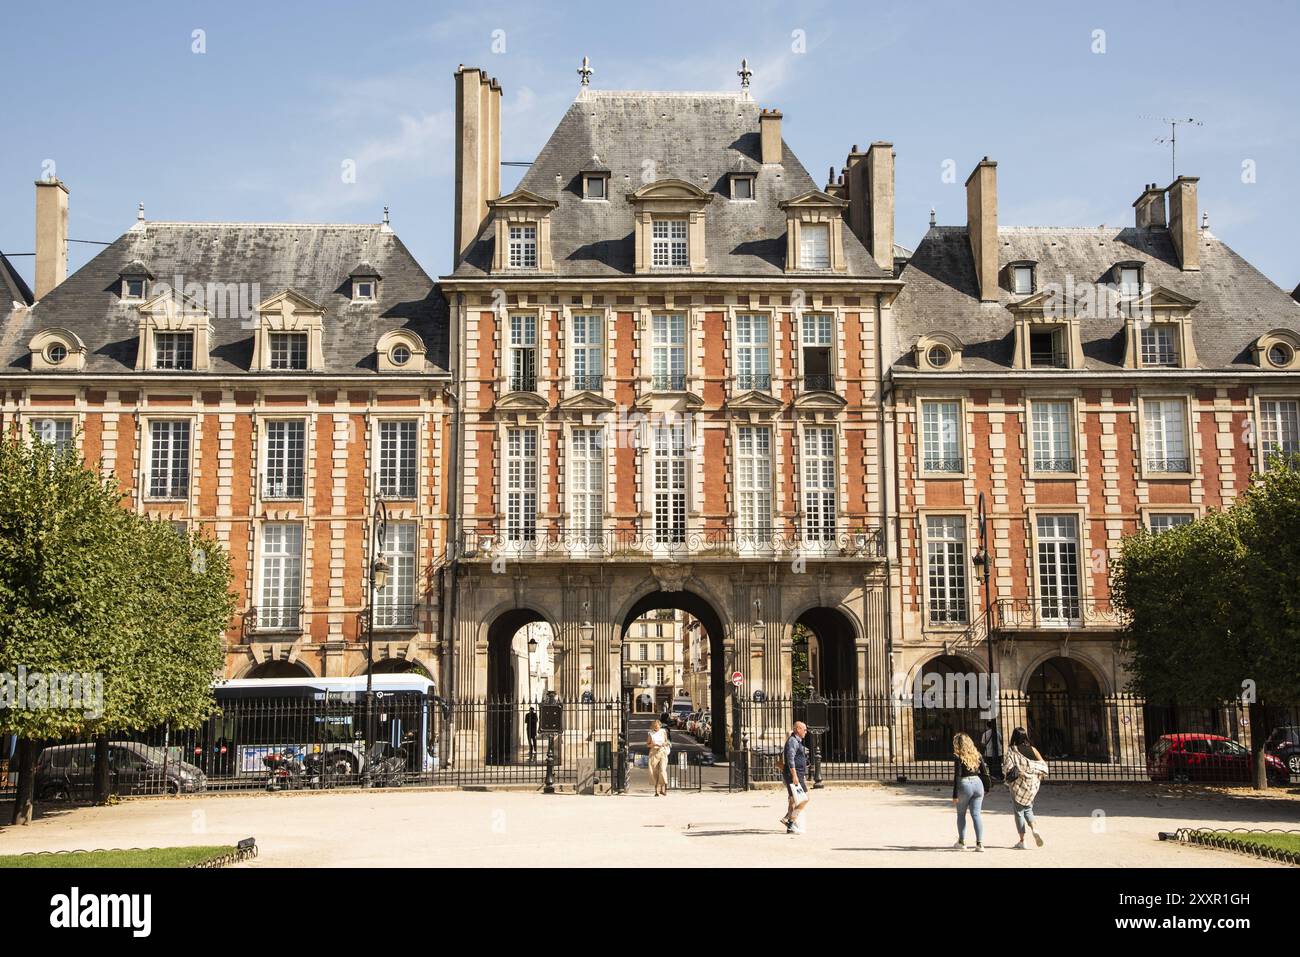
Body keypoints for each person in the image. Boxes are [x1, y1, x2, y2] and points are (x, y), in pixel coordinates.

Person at [1003, 726, 1049, 849]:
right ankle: (1034, 829)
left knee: (1019, 812)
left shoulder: (1012, 750)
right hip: (1032, 784)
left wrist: (1020, 771)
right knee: (1028, 809)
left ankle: (1022, 840)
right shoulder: (1033, 750)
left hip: (1018, 784)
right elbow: (1043, 765)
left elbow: (1008, 768)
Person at [951, 732, 990, 851]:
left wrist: (955, 794)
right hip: (978, 784)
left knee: (961, 814)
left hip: (964, 784)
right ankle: (980, 843)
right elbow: (984, 772)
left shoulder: (958, 756)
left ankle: (962, 842)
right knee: (976, 814)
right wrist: (987, 787)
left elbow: (957, 776)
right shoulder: (977, 755)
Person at [780, 721, 810, 834]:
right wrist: (795, 775)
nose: (806, 732)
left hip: (798, 773)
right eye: (804, 729)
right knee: (804, 799)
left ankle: (789, 823)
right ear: (798, 729)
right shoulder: (793, 741)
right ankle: (790, 821)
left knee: (793, 800)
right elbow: (790, 759)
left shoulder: (797, 741)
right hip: (794, 774)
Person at [646, 720, 671, 796]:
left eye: (657, 726)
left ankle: (663, 789)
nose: (656, 728)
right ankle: (657, 790)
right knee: (654, 772)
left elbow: (667, 742)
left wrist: (664, 744)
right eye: (655, 726)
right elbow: (648, 744)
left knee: (662, 770)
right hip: (654, 752)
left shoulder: (663, 732)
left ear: (660, 726)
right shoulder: (650, 733)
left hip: (662, 751)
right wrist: (653, 745)